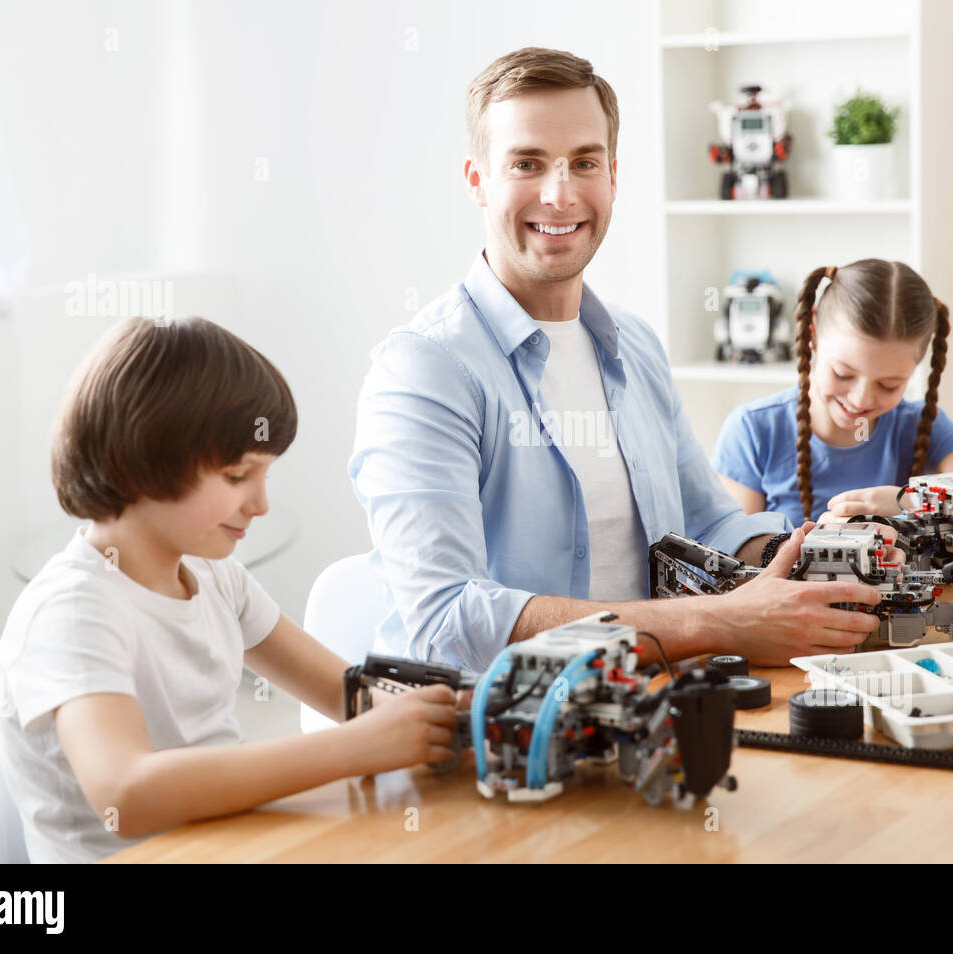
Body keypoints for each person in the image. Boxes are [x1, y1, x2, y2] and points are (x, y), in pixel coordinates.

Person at [348, 48, 890, 674]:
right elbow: (449, 622)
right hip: (490, 736)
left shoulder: (634, 345)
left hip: (646, 705)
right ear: (477, 180)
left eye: (585, 162)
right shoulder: (423, 371)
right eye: (527, 163)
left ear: (612, 176)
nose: (560, 194)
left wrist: (829, 554)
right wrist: (719, 622)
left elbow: (709, 523)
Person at [0, 316, 457, 863]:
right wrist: (355, 747)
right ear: (141, 460)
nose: (260, 504)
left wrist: (447, 713)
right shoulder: (72, 612)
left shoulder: (218, 579)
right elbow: (126, 795)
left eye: (265, 476)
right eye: (238, 477)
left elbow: (346, 693)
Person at [712, 260, 953, 526]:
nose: (861, 400)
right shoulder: (753, 431)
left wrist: (912, 501)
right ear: (812, 335)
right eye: (843, 373)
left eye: (889, 385)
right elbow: (735, 561)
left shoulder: (920, 425)